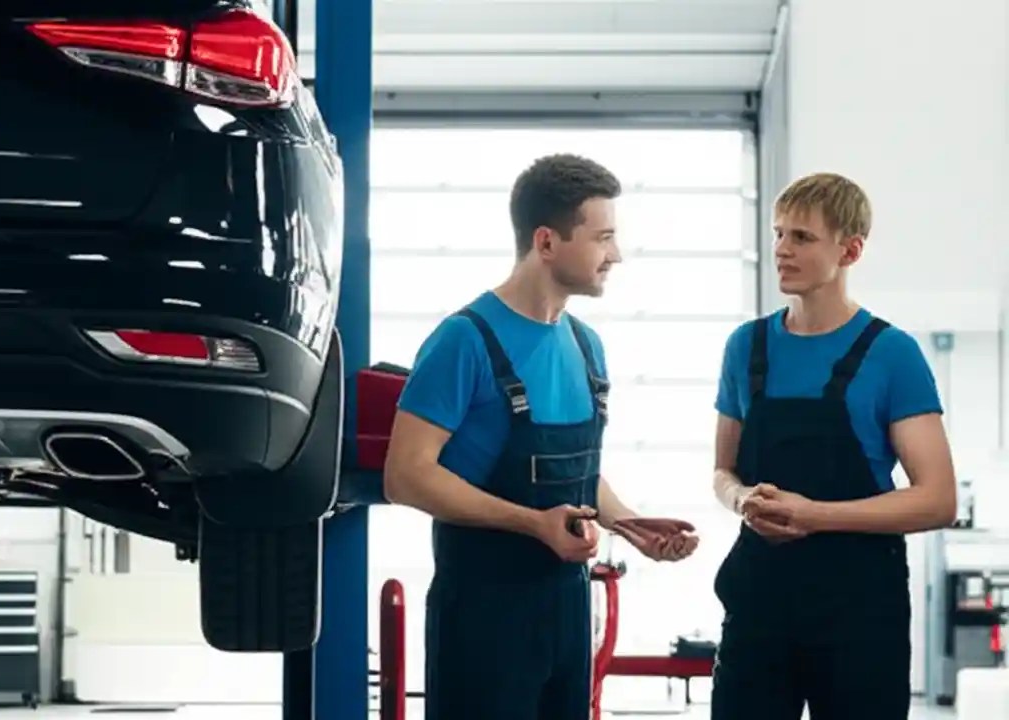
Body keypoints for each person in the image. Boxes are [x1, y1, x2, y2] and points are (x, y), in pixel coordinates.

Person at [382, 153, 700, 720]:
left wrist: (631, 525)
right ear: (547, 242)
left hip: (567, 610)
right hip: (483, 616)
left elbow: (574, 473)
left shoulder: (586, 346)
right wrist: (532, 523)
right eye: (603, 238)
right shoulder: (463, 341)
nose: (616, 255)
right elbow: (405, 475)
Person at [710, 172, 958, 719]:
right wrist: (741, 500)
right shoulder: (745, 347)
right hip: (760, 603)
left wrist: (813, 515)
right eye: (778, 233)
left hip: (859, 613)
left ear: (850, 250)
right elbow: (722, 472)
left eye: (801, 237)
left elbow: (938, 499)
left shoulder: (892, 354)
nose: (781, 249)